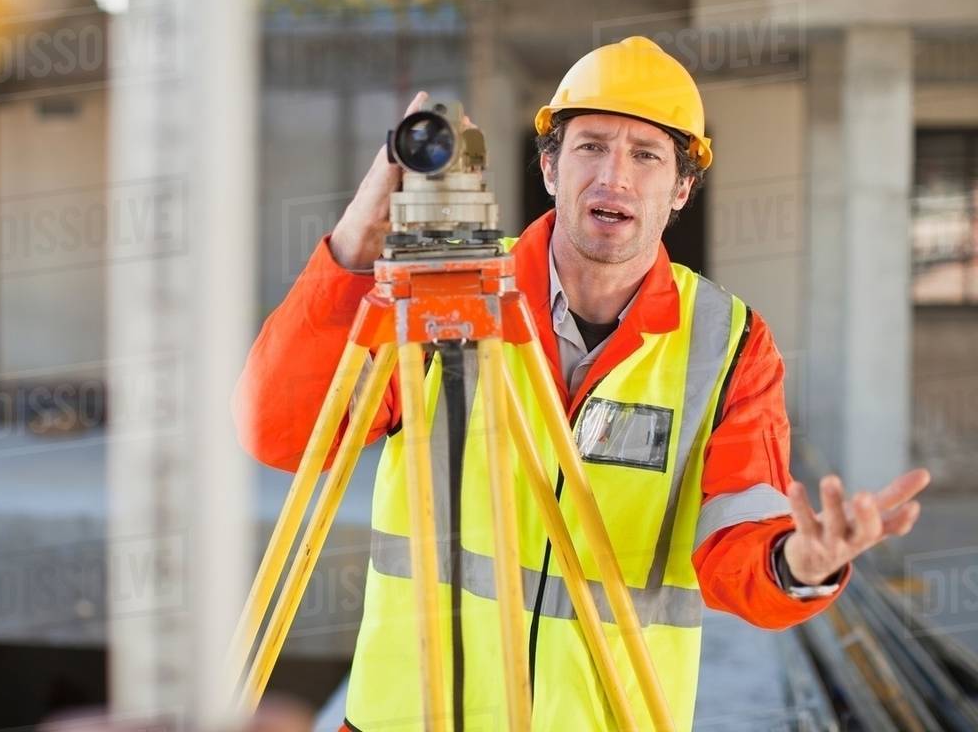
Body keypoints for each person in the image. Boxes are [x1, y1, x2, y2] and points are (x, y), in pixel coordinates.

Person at [233, 36, 929, 732]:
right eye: (591, 146)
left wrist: (800, 564)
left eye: (647, 155)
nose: (614, 176)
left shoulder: (729, 345)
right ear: (549, 167)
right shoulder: (446, 297)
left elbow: (739, 552)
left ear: (681, 188)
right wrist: (356, 242)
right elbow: (278, 431)